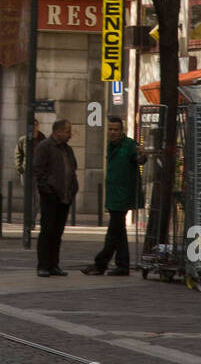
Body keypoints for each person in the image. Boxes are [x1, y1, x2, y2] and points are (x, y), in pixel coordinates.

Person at [84, 116, 143, 276]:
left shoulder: (129, 145)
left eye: (116, 129)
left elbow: (140, 159)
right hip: (113, 195)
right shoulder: (111, 146)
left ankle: (101, 264)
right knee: (119, 232)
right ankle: (121, 266)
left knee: (113, 233)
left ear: (121, 131)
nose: (112, 132)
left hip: (123, 196)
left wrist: (142, 155)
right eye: (110, 129)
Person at [34, 119, 78, 277]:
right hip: (50, 197)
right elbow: (39, 172)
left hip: (64, 197)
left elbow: (72, 170)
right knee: (47, 231)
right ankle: (43, 265)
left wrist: (73, 189)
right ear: (58, 132)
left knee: (57, 233)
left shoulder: (67, 150)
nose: (70, 135)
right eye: (67, 131)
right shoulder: (45, 147)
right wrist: (47, 191)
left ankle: (54, 264)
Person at [15, 117, 46, 226]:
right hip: (26, 172)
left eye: (36, 125)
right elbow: (18, 154)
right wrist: (20, 167)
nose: (34, 127)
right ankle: (27, 221)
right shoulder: (23, 139)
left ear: (38, 126)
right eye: (32, 125)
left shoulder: (43, 139)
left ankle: (32, 220)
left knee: (37, 198)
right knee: (28, 197)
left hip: (39, 173)